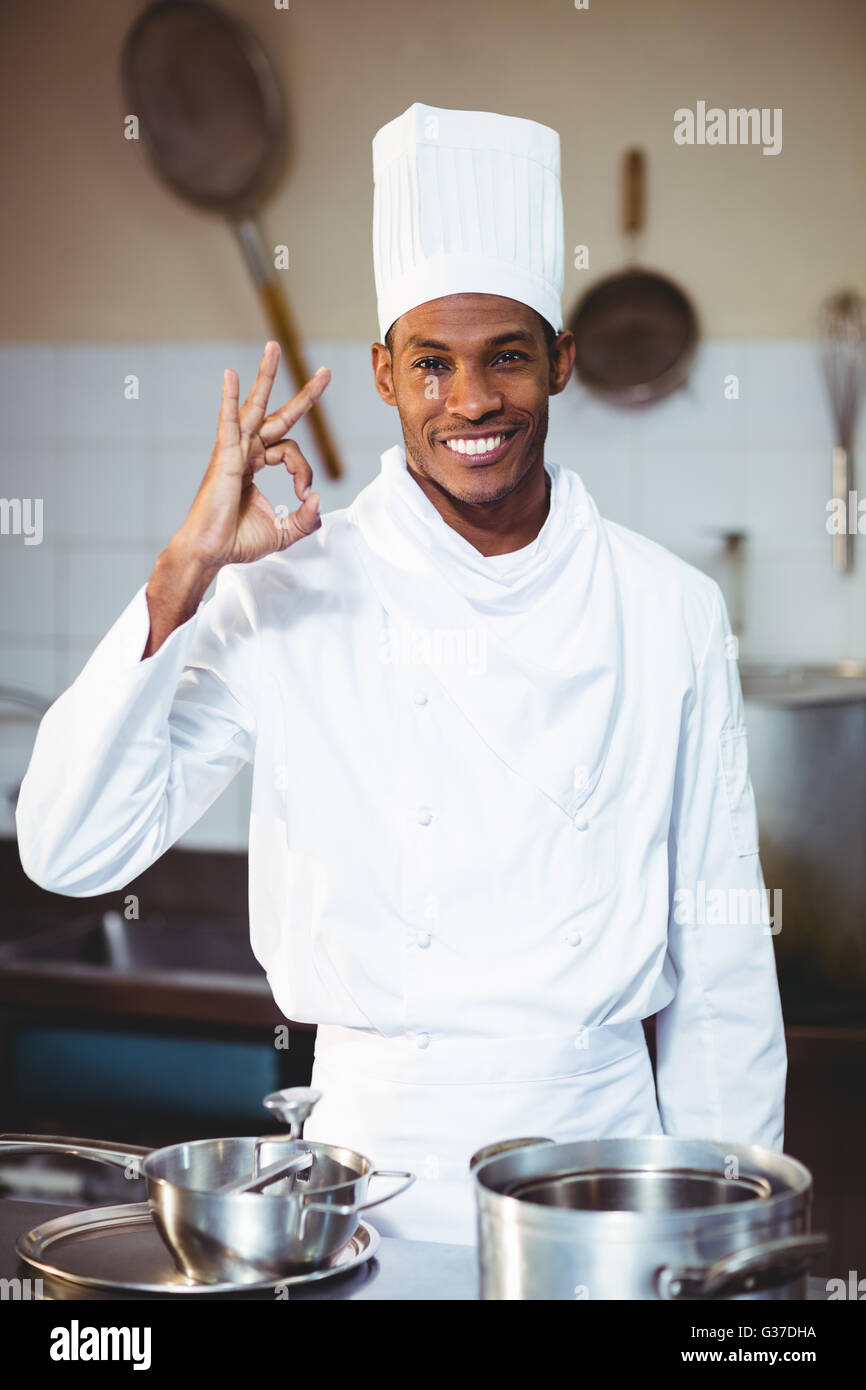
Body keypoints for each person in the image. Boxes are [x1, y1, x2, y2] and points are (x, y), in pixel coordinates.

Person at [16, 102, 786, 1246]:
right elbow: (71, 850)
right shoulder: (287, 587)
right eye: (431, 362)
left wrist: (732, 1234)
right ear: (383, 374)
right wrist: (183, 573)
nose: (469, 402)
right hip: (359, 1172)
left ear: (560, 363)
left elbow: (719, 967)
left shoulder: (665, 607)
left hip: (603, 1169)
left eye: (505, 358)